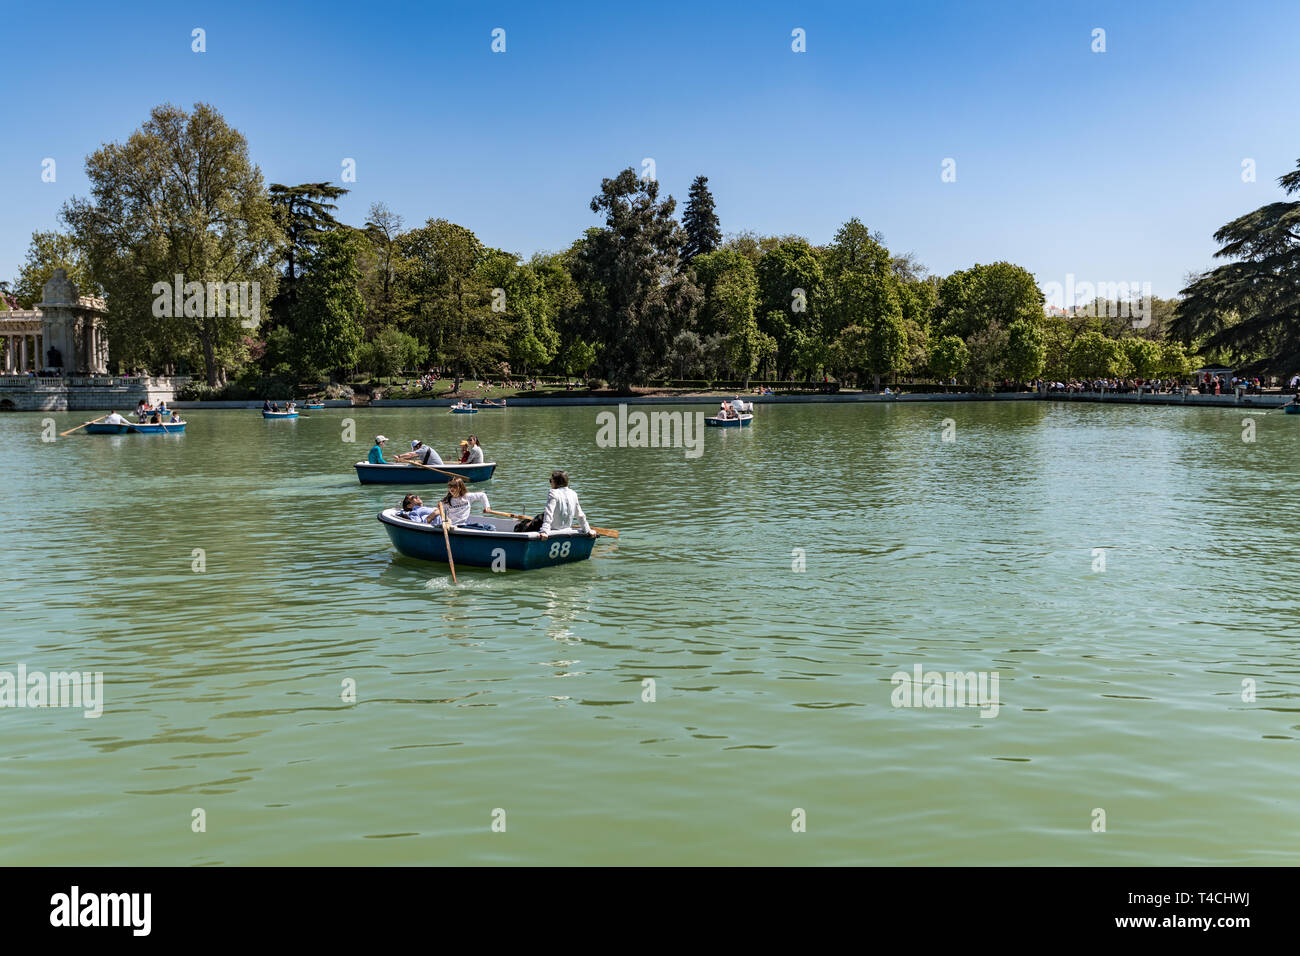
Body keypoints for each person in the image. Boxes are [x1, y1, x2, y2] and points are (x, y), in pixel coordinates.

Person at [537, 470, 594, 540]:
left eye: (550, 481)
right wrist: (587, 529)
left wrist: (544, 531)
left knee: (538, 518)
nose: (550, 483)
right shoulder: (573, 493)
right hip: (566, 528)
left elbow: (549, 512)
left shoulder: (553, 492)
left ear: (555, 482)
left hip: (553, 529)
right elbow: (580, 515)